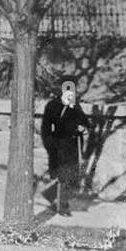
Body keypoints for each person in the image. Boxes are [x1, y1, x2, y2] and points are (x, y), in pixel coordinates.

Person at [40, 77, 89, 216]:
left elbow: (85, 122)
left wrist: (82, 127)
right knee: (63, 176)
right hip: (58, 145)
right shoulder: (53, 106)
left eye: (72, 90)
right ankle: (62, 207)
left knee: (69, 176)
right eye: (67, 89)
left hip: (72, 146)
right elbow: (46, 128)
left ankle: (57, 200)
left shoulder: (75, 106)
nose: (71, 93)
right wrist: (50, 146)